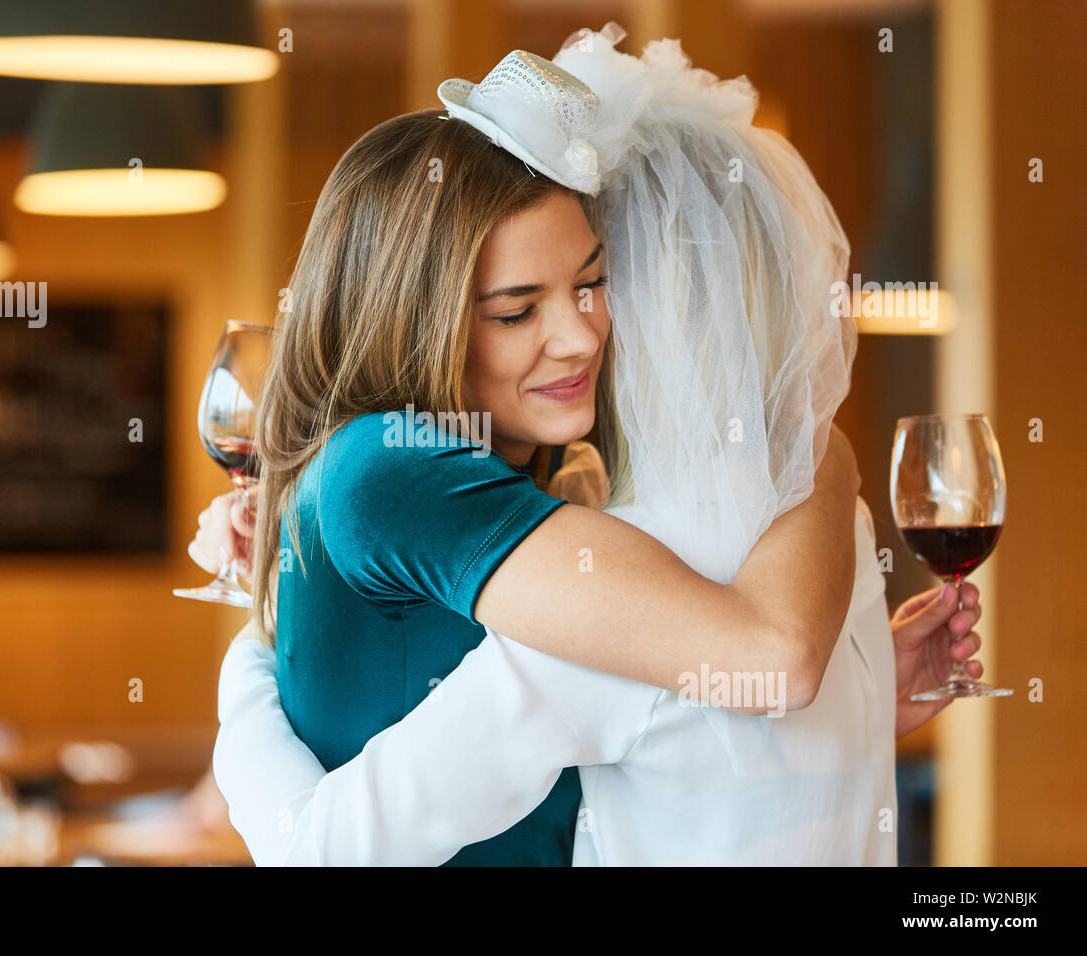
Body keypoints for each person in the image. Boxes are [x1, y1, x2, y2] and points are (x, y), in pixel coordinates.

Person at [199, 27, 980, 865]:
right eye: (516, 310)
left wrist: (851, 699)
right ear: (414, 319)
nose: (580, 336)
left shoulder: (516, 476)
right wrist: (822, 454)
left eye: (593, 284)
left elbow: (653, 718)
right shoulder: (390, 464)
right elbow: (773, 657)